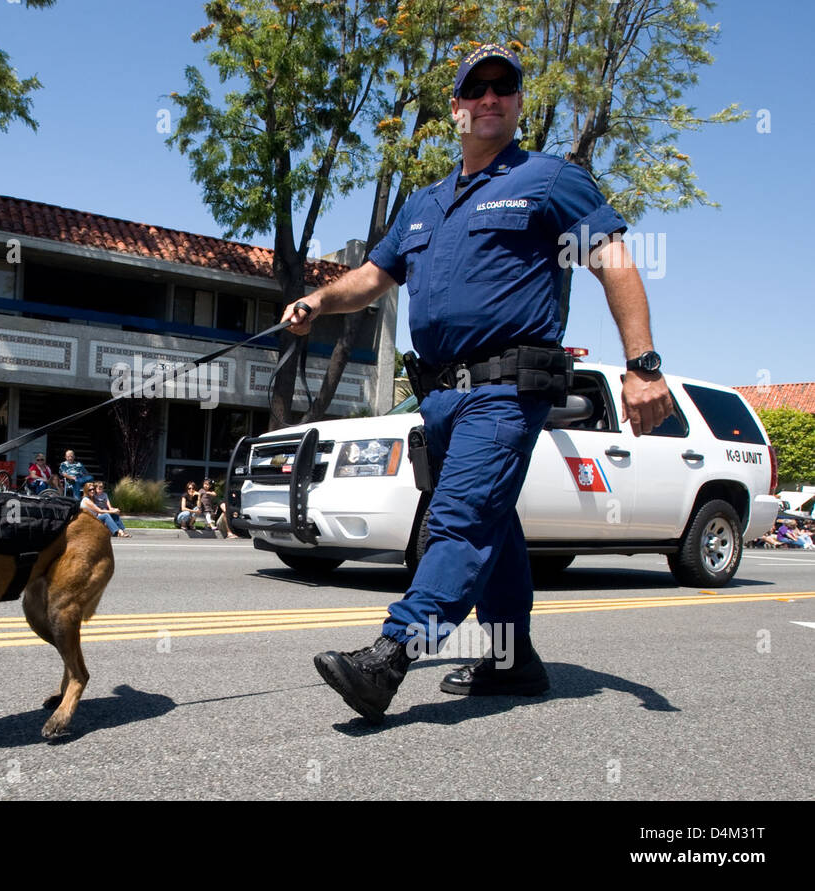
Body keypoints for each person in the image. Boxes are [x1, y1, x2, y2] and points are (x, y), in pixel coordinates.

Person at [286, 43, 674, 724]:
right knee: (492, 519)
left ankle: (390, 656)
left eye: (505, 86)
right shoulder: (423, 206)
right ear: (456, 108)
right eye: (477, 88)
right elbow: (374, 277)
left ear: (518, 102)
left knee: (457, 520)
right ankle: (511, 658)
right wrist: (318, 301)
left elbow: (614, 258)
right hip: (438, 395)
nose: (491, 97)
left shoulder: (550, 180)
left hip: (506, 388)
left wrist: (643, 365)